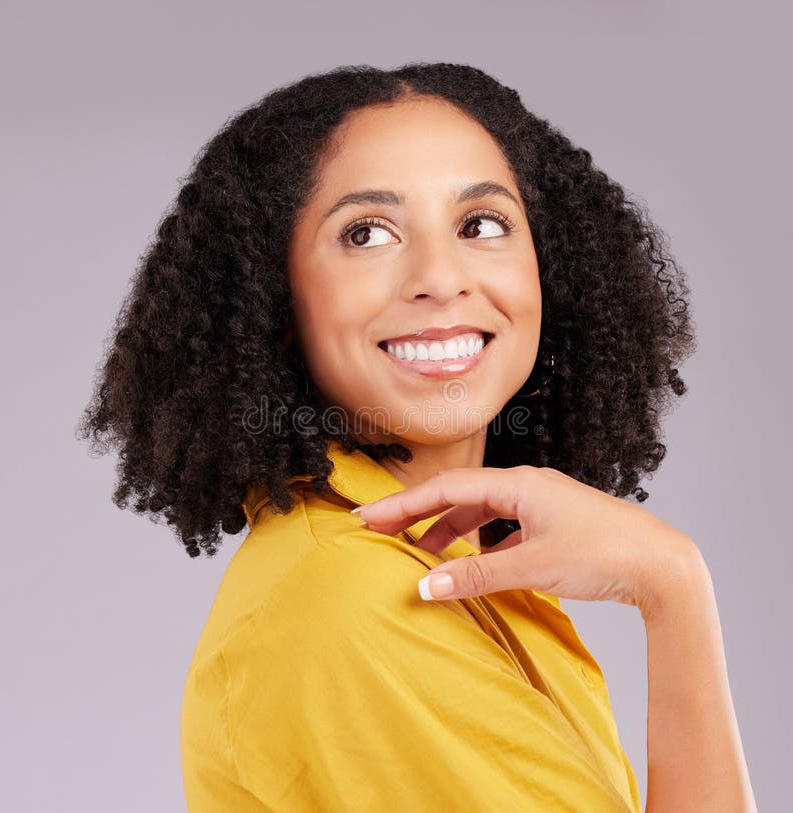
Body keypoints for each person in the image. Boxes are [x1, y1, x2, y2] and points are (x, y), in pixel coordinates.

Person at [77, 62, 757, 811]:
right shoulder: (360, 603)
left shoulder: (448, 561)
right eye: (367, 233)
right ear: (275, 296)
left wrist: (671, 583)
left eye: (482, 225)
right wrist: (675, 588)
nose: (441, 276)